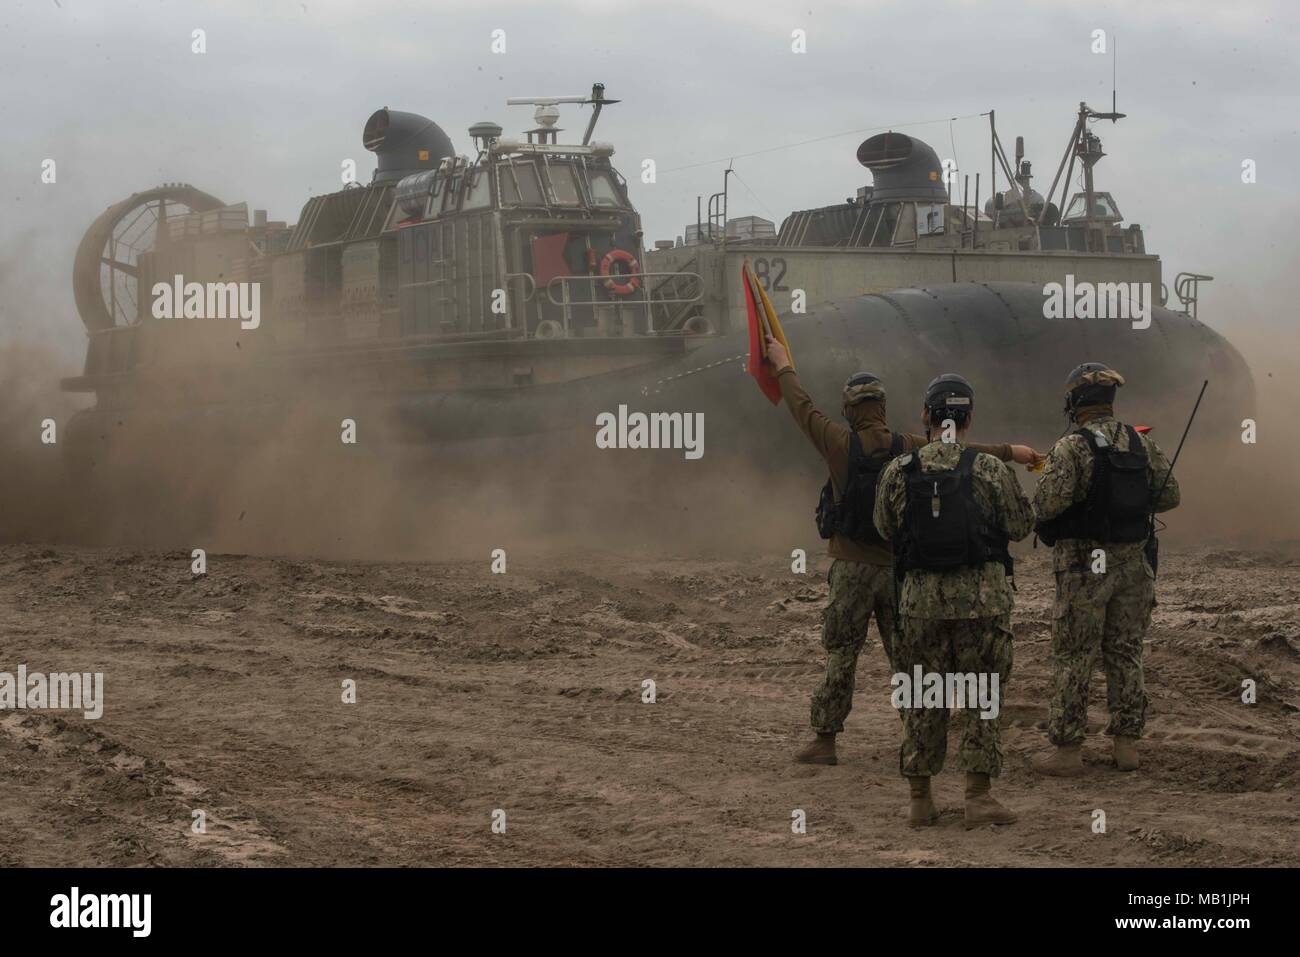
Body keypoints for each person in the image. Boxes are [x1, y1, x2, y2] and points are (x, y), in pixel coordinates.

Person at [764, 337, 1041, 766]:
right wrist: (1013, 453)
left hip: (850, 569)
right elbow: (963, 453)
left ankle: (825, 740)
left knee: (842, 655)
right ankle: (918, 742)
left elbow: (801, 407)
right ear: (883, 406)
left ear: (849, 408)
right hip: (897, 571)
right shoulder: (905, 446)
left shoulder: (837, 442)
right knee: (911, 665)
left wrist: (783, 365)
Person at [874, 373, 1035, 827]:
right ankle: (978, 797)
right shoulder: (989, 469)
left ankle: (920, 800)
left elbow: (885, 528)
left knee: (924, 695)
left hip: (920, 604)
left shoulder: (899, 471)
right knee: (983, 695)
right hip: (980, 604)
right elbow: (1021, 525)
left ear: (926, 416)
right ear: (968, 419)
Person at [1030, 363, 1180, 776]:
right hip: (1134, 563)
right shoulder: (1140, 442)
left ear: (1075, 402)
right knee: (1126, 652)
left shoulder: (1071, 448)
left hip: (1083, 566)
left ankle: (1067, 751)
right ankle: (1126, 746)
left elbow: (1045, 507)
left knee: (1074, 655)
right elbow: (1169, 496)